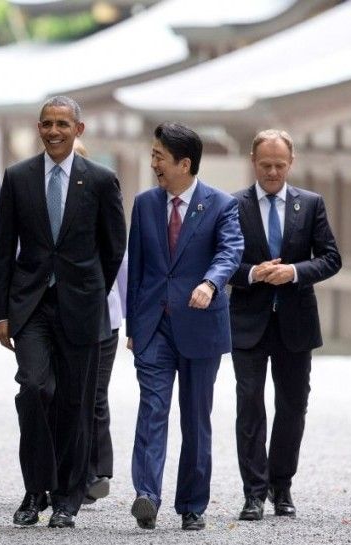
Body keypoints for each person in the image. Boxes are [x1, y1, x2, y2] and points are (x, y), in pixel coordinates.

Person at [0, 96, 126, 529]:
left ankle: (67, 497)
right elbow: (1, 249)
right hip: (30, 305)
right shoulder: (17, 177)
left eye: (62, 124)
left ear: (78, 130)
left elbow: (113, 247)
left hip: (82, 306)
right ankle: (35, 489)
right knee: (33, 388)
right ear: (38, 127)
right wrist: (0, 312)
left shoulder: (101, 180)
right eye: (47, 123)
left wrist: (90, 290)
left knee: (76, 402)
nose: (54, 131)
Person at [126, 122, 243, 531]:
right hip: (153, 324)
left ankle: (192, 504)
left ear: (184, 163)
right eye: (153, 154)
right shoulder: (144, 204)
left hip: (200, 325)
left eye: (160, 156)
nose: (153, 162)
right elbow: (137, 268)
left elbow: (231, 251)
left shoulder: (221, 204)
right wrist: (133, 325)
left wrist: (211, 283)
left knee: (196, 417)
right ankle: (146, 494)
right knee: (152, 408)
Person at [228, 129, 341, 521]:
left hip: (295, 320)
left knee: (292, 406)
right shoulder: (234, 205)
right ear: (253, 162)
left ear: (291, 163)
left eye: (279, 165)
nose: (272, 172)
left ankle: (282, 484)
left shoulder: (310, 205)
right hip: (248, 322)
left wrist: (294, 271)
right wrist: (253, 274)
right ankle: (253, 491)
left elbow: (330, 258)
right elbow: (221, 262)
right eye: (265, 165)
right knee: (249, 404)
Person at [73, 138, 127, 505]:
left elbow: (118, 256)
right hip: (57, 312)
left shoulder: (102, 194)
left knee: (95, 393)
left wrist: (128, 315)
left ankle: (97, 470)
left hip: (103, 312)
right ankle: (68, 469)